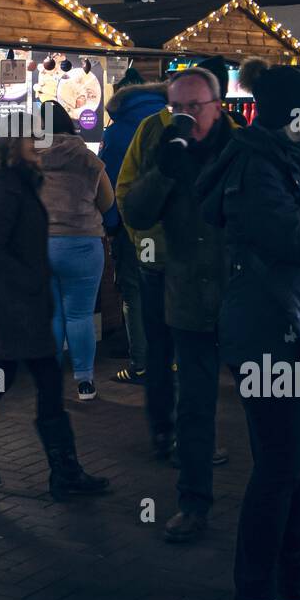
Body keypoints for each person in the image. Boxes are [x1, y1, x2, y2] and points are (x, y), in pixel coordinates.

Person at [200, 64, 300, 600]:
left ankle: (297, 578)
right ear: (294, 119)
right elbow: (298, 243)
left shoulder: (290, 159)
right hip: (268, 336)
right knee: (279, 467)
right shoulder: (256, 167)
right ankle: (256, 592)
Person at [0, 120, 109, 498]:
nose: (37, 146)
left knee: (8, 381)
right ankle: (61, 472)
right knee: (32, 383)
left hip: (20, 306)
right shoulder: (5, 189)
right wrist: (30, 280)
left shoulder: (15, 183)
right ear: (14, 146)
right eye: (31, 141)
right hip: (15, 307)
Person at [120, 65, 238, 543]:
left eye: (195, 107)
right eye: (178, 107)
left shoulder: (242, 148)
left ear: (218, 106)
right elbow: (136, 209)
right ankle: (193, 503)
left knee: (270, 403)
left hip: (241, 298)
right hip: (187, 295)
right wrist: (165, 170)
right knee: (194, 404)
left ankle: (279, 500)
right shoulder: (161, 143)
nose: (187, 115)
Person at [37, 102, 114, 400]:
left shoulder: (30, 159)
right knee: (80, 316)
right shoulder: (88, 159)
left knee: (53, 315)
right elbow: (107, 203)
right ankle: (85, 382)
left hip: (42, 244)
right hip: (83, 245)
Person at [101, 68, 169, 385]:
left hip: (134, 229)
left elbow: (115, 185)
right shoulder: (171, 124)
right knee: (170, 288)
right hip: (171, 224)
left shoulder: (116, 134)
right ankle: (172, 361)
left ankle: (141, 364)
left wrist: (114, 225)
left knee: (135, 294)